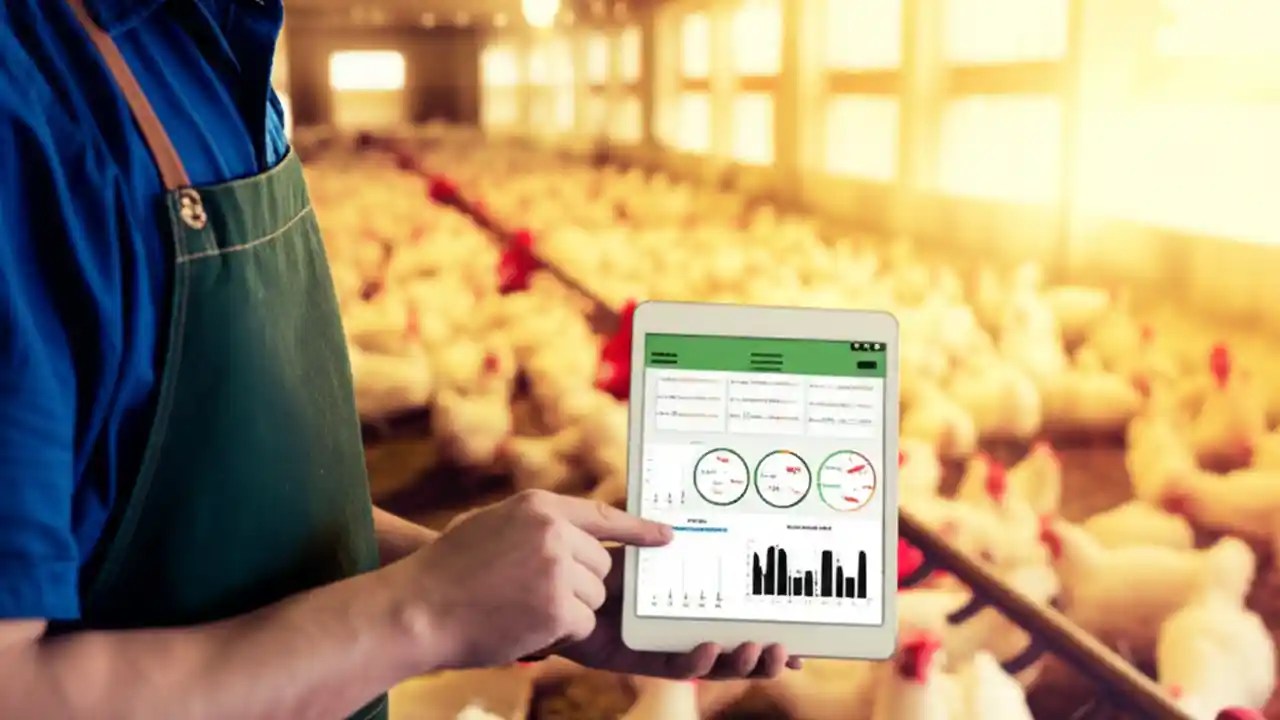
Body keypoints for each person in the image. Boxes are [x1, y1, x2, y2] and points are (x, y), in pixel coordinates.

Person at [0, 1, 797, 718]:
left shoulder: (213, 48)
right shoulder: (26, 96)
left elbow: (229, 515)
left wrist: (532, 595)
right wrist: (425, 609)